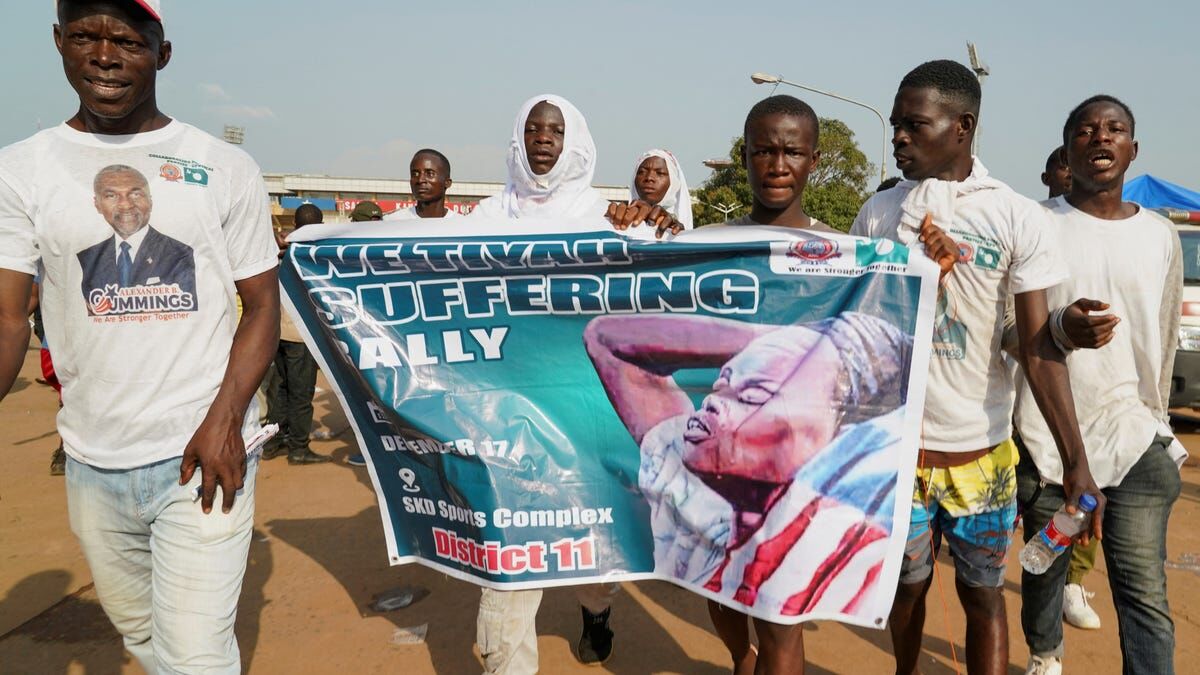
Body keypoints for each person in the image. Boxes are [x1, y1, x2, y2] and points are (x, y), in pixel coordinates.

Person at [0, 2, 280, 673]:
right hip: (94, 465)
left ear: (163, 52)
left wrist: (223, 420)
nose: (104, 55)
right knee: (147, 640)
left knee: (193, 657)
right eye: (85, 36)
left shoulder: (222, 166)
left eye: (127, 39)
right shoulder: (22, 170)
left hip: (200, 453)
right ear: (58, 41)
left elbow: (262, 305)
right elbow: (9, 316)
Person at [850, 60, 1102, 675]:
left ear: (962, 127)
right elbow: (856, 331)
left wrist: (1076, 460)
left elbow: (1038, 347)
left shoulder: (1016, 217)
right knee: (905, 590)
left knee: (982, 595)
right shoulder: (880, 216)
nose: (898, 139)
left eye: (914, 125)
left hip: (981, 456)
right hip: (897, 455)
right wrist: (916, 278)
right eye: (895, 127)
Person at [585, 309, 912, 673]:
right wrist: (793, 340)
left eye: (754, 395)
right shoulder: (690, 479)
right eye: (722, 384)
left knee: (780, 635)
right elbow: (607, 338)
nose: (713, 401)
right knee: (722, 600)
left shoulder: (836, 539)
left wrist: (827, 350)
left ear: (836, 425)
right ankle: (742, 657)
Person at [1013, 95, 1183, 675]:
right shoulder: (1032, 223)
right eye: (1085, 130)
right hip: (1049, 440)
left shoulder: (1161, 235)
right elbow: (1008, 332)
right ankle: (1045, 656)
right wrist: (1061, 327)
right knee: (1043, 570)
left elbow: (1160, 339)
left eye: (1115, 129)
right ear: (1068, 150)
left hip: (1134, 439)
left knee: (1144, 596)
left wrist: (1157, 421)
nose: (1100, 137)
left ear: (1133, 149)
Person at [469, 94, 621, 672]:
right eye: (532, 129)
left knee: (593, 558)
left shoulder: (604, 219)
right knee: (506, 579)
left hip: (585, 422)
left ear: (572, 140)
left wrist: (659, 227)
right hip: (504, 428)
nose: (542, 139)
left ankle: (596, 614)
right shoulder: (487, 217)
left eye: (554, 130)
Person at [1030, 144, 1102, 634]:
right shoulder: (1029, 224)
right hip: (1031, 400)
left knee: (1086, 498)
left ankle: (1075, 581)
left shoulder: (1104, 233)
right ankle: (1045, 647)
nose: (1068, 174)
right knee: (1040, 520)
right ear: (1048, 175)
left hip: (1093, 401)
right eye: (1061, 166)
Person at [263, 203, 330, 465]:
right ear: (318, 224)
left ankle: (274, 442)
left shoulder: (277, 251)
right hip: (300, 336)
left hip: (276, 332)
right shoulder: (312, 253)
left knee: (279, 390)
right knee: (301, 393)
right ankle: (299, 448)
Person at [78, 164, 197, 302]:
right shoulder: (87, 258)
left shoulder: (179, 254)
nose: (126, 205)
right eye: (111, 196)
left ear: (150, 201)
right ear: (97, 204)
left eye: (136, 194)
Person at [616, 149, 692, 240]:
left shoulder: (676, 229)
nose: (649, 178)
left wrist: (674, 235)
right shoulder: (619, 218)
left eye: (660, 173)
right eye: (642, 172)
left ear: (674, 182)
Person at [385, 149, 458, 220]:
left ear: (447, 183)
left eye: (430, 174)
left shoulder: (462, 225)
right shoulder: (391, 222)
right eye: (415, 174)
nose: (420, 180)